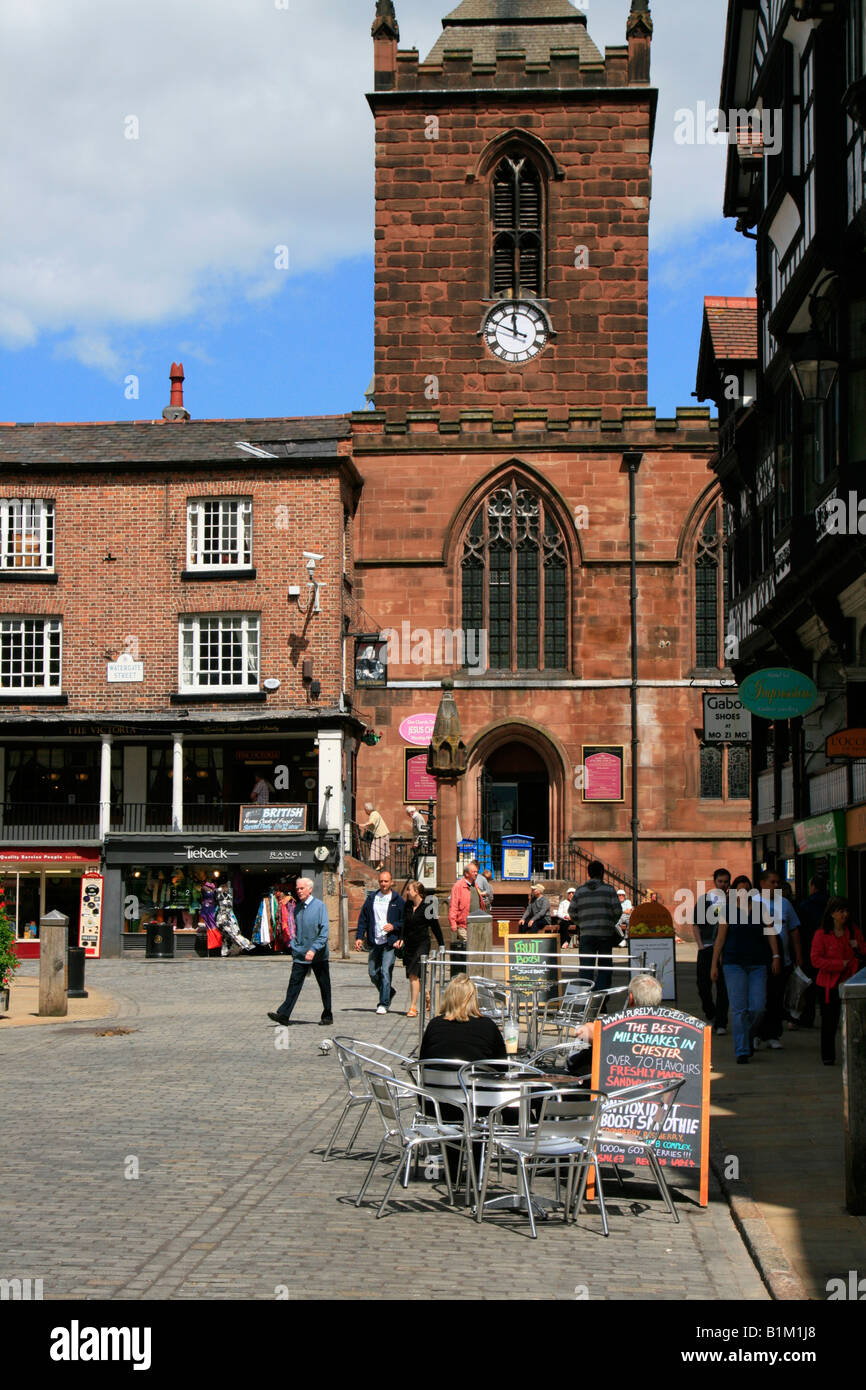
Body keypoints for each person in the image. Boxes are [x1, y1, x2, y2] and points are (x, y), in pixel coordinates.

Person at [711, 877, 781, 1064]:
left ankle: (748, 1036)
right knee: (738, 1009)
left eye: (747, 889)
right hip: (733, 964)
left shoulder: (761, 909)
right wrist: (714, 964)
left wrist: (776, 956)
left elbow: (771, 933)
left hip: (758, 964)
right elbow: (720, 939)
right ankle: (742, 1050)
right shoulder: (728, 911)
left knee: (758, 1007)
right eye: (740, 890)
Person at [566, 974, 664, 1078]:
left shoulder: (614, 1031)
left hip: (609, 1089)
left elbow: (573, 1064)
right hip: (654, 1091)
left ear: (630, 999)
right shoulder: (671, 1033)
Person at [267, 878, 333, 1026]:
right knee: (294, 984)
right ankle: (284, 1014)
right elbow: (295, 930)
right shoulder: (297, 908)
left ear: (310, 889)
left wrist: (314, 949)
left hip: (318, 955)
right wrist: (294, 945)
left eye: (302, 888)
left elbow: (324, 932)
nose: (299, 891)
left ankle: (327, 1014)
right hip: (301, 954)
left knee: (324, 985)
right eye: (297, 888)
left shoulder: (320, 906)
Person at [751, 868, 803, 1050]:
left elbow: (794, 930)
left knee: (776, 998)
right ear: (762, 884)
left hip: (783, 959)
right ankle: (756, 1034)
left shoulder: (785, 904)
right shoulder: (753, 903)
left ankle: (773, 1034)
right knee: (759, 999)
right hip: (759, 959)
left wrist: (798, 955)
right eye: (772, 882)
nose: (776, 886)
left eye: (777, 882)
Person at [811, 898, 866, 1065]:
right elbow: (815, 960)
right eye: (841, 911)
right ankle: (828, 1056)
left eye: (846, 911)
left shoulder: (853, 931)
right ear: (832, 913)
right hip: (829, 984)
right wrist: (837, 965)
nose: (845, 915)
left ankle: (854, 1054)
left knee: (853, 1021)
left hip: (850, 981)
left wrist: (858, 947)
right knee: (829, 1022)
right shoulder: (822, 934)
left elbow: (863, 951)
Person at [355, 869, 404, 1014]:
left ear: (391, 882)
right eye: (381, 881)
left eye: (386, 881)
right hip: (375, 940)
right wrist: (359, 936)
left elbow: (404, 920)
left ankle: (384, 1003)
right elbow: (363, 918)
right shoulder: (372, 898)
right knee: (372, 972)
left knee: (385, 971)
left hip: (389, 942)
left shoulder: (398, 900)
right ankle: (388, 992)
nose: (383, 884)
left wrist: (393, 926)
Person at [568, 861, 623, 992]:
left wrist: (581, 924)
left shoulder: (580, 891)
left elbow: (571, 912)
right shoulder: (609, 890)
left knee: (586, 969)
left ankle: (586, 1000)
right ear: (602, 873)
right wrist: (609, 923)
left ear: (589, 873)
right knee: (605, 968)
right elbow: (617, 911)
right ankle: (601, 999)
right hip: (605, 934)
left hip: (586, 934)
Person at [691, 868, 730, 1035]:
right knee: (703, 985)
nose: (722, 885)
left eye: (725, 882)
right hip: (706, 947)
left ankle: (721, 1022)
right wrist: (700, 945)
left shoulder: (732, 902)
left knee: (723, 988)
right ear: (715, 882)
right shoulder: (704, 901)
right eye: (720, 881)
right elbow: (695, 925)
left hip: (724, 950)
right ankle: (711, 1013)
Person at [794, 876, 829, 1029]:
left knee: (809, 985)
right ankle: (827, 1014)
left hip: (809, 948)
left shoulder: (805, 905)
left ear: (813, 887)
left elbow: (799, 930)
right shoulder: (830, 903)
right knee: (826, 984)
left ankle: (808, 1017)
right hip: (829, 950)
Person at [402, 880, 441, 1018]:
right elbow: (404, 925)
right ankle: (426, 994)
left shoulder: (428, 906)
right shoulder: (407, 906)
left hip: (422, 944)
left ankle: (413, 1007)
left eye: (409, 890)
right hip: (409, 944)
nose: (407, 892)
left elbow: (435, 926)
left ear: (416, 892)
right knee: (416, 975)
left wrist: (441, 944)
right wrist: (401, 939)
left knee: (413, 973)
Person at [448, 859, 482, 962]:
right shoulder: (458, 886)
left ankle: (473, 971)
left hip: (476, 924)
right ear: (466, 874)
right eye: (473, 872)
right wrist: (453, 923)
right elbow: (453, 906)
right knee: (469, 948)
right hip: (463, 925)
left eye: (477, 871)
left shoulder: (475, 885)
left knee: (475, 949)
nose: (476, 874)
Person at [361, 802, 390, 871]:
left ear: (368, 809)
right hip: (380, 835)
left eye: (365, 809)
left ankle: (380, 864)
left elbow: (371, 822)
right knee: (376, 851)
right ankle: (379, 865)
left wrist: (363, 824)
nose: (365, 811)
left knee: (375, 850)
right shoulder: (375, 813)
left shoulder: (373, 813)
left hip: (381, 835)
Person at [405, 805, 428, 877]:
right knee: (413, 858)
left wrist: (417, 842)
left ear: (411, 812)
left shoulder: (418, 817)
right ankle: (413, 874)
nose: (408, 815)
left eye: (408, 814)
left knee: (418, 858)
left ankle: (417, 875)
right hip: (417, 841)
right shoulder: (415, 818)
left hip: (420, 843)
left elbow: (422, 831)